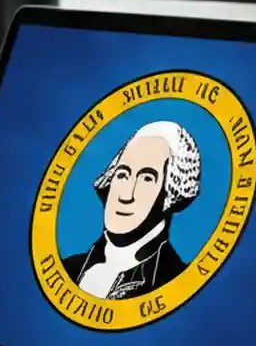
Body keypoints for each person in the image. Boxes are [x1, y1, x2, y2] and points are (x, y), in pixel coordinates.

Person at [61, 121, 202, 300]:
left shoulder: (176, 283)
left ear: (172, 193)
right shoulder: (68, 270)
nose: (126, 195)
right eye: (122, 175)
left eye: (147, 179)